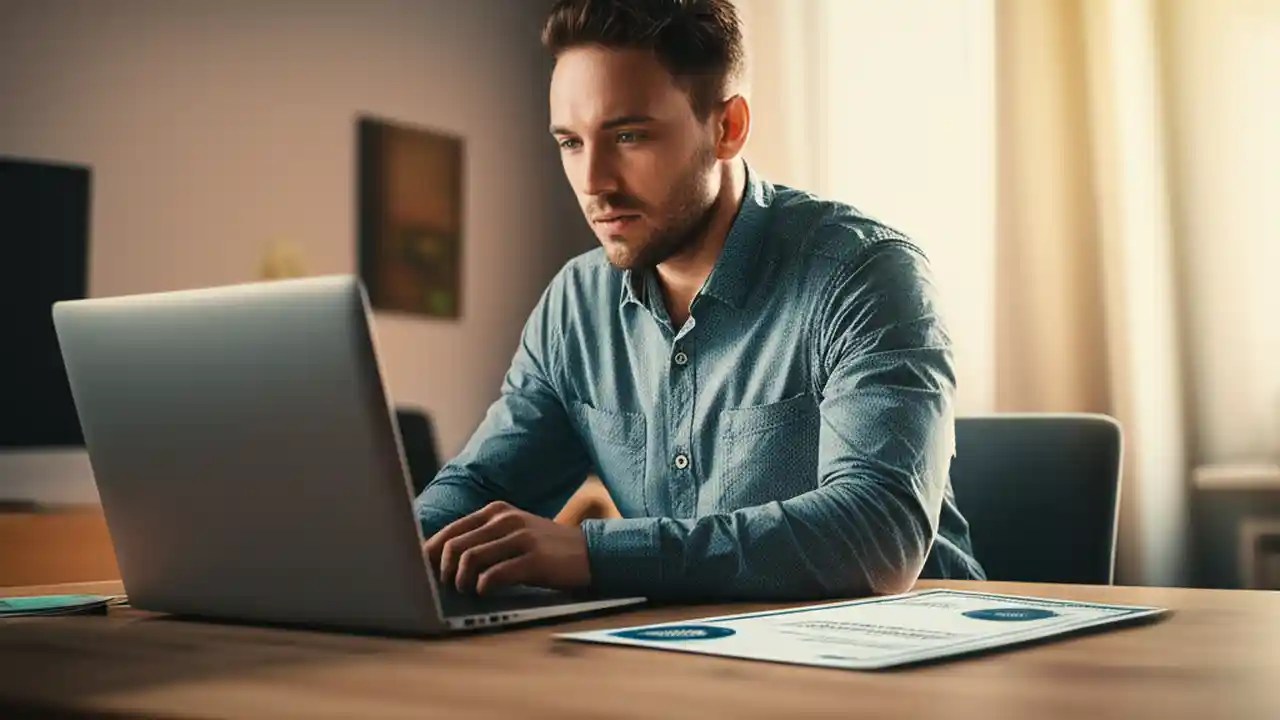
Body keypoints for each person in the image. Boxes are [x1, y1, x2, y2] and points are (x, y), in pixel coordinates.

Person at [415, 0, 985, 601]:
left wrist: (594, 553)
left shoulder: (864, 274)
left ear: (727, 128)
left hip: (908, 655)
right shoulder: (576, 306)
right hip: (695, 653)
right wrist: (387, 555)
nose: (594, 183)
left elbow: (876, 536)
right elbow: (479, 489)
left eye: (628, 136)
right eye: (570, 143)